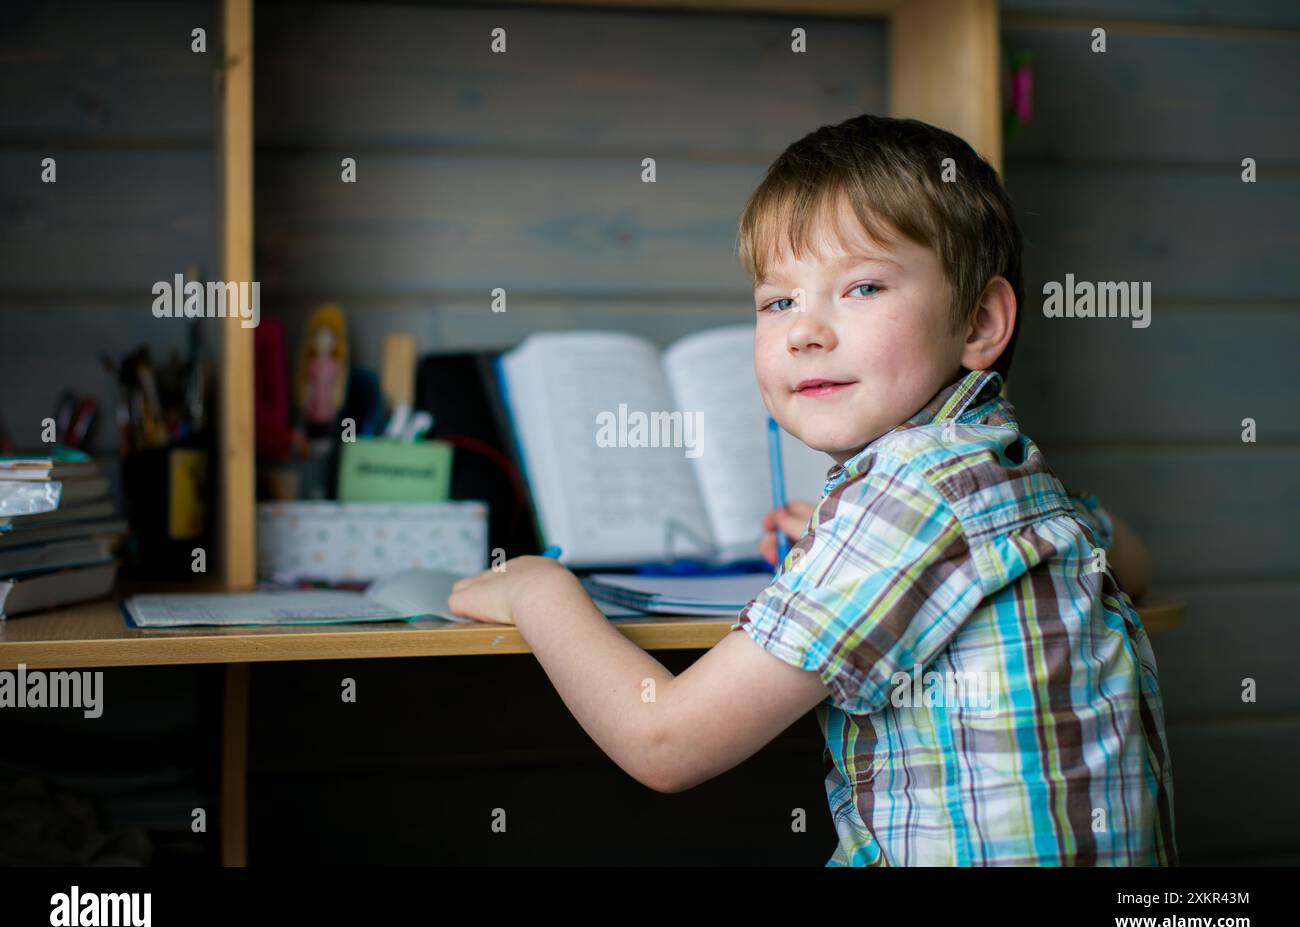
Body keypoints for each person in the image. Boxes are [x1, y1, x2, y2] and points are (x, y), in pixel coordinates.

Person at [450, 113, 1176, 866]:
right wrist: (868, 549)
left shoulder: (905, 494)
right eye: (778, 302)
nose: (805, 332)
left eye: (861, 286)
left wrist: (540, 591)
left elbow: (662, 742)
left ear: (980, 321)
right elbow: (1133, 559)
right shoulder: (1003, 469)